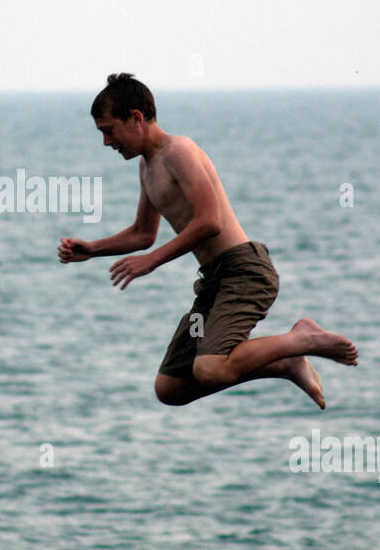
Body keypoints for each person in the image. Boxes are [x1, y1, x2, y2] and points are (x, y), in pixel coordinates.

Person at [58, 73, 357, 408]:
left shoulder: (179, 152)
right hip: (213, 284)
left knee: (211, 368)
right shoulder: (147, 166)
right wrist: (92, 249)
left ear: (136, 118)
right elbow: (143, 233)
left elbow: (209, 221)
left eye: (108, 130)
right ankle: (284, 363)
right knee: (171, 387)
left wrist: (152, 261)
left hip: (244, 273)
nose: (107, 142)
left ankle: (301, 339)